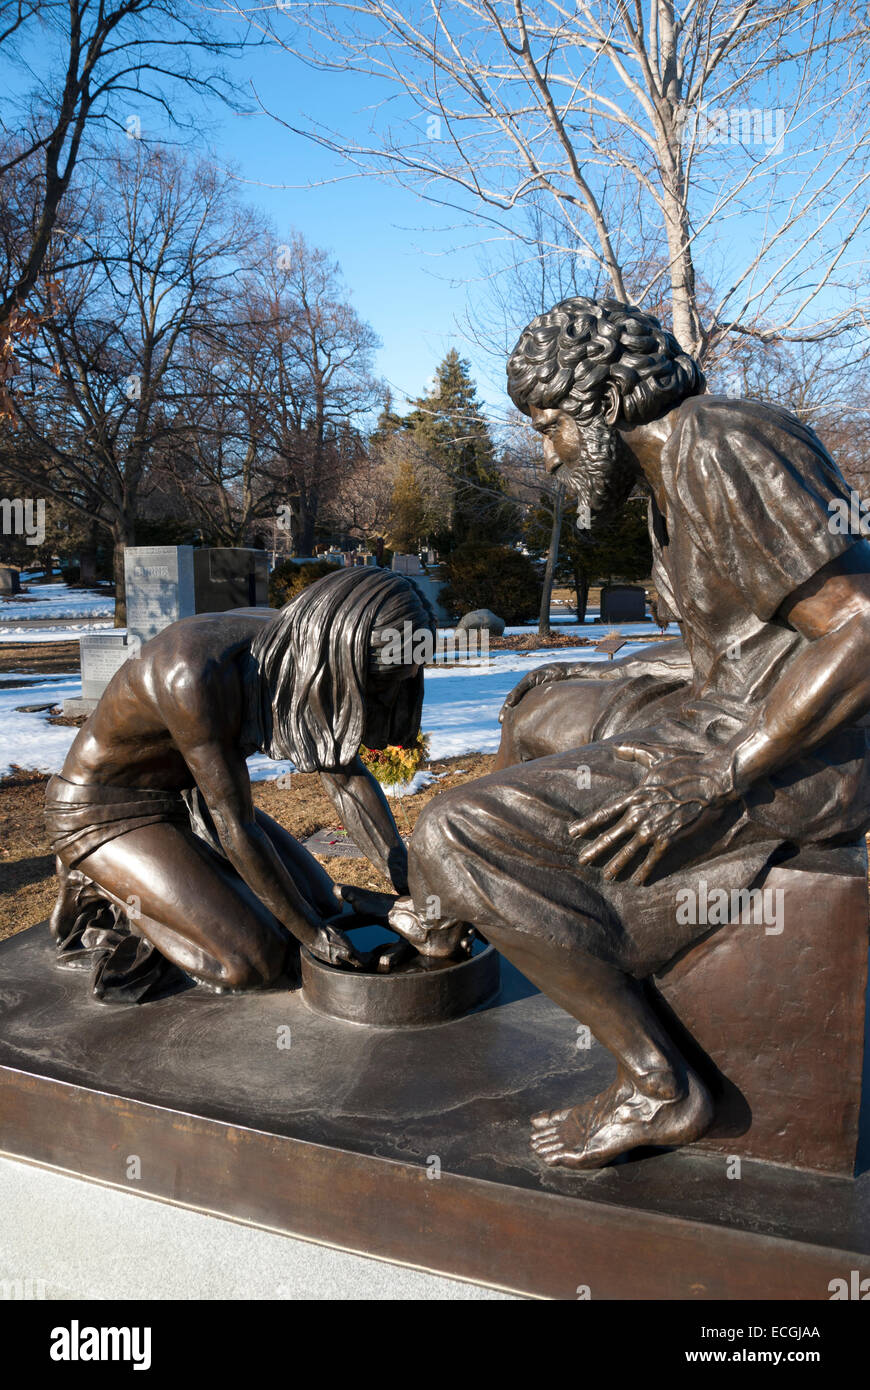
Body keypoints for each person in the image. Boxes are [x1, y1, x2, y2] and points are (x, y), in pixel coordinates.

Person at [387, 295, 870, 1171]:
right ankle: (508, 923)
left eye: (550, 427)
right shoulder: (673, 473)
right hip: (728, 719)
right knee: (544, 714)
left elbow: (863, 626)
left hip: (794, 757)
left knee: (454, 830)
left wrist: (722, 773)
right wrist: (619, 679)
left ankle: (659, 1082)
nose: (549, 454)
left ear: (602, 405)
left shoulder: (724, 444)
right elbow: (739, 644)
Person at [45, 567, 435, 1003]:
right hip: (106, 813)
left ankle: (184, 887)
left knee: (324, 907)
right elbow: (235, 826)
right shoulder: (194, 674)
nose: (374, 697)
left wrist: (403, 876)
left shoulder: (299, 644)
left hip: (190, 802)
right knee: (257, 961)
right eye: (373, 682)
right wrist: (309, 934)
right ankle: (103, 884)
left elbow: (344, 776)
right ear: (338, 649)